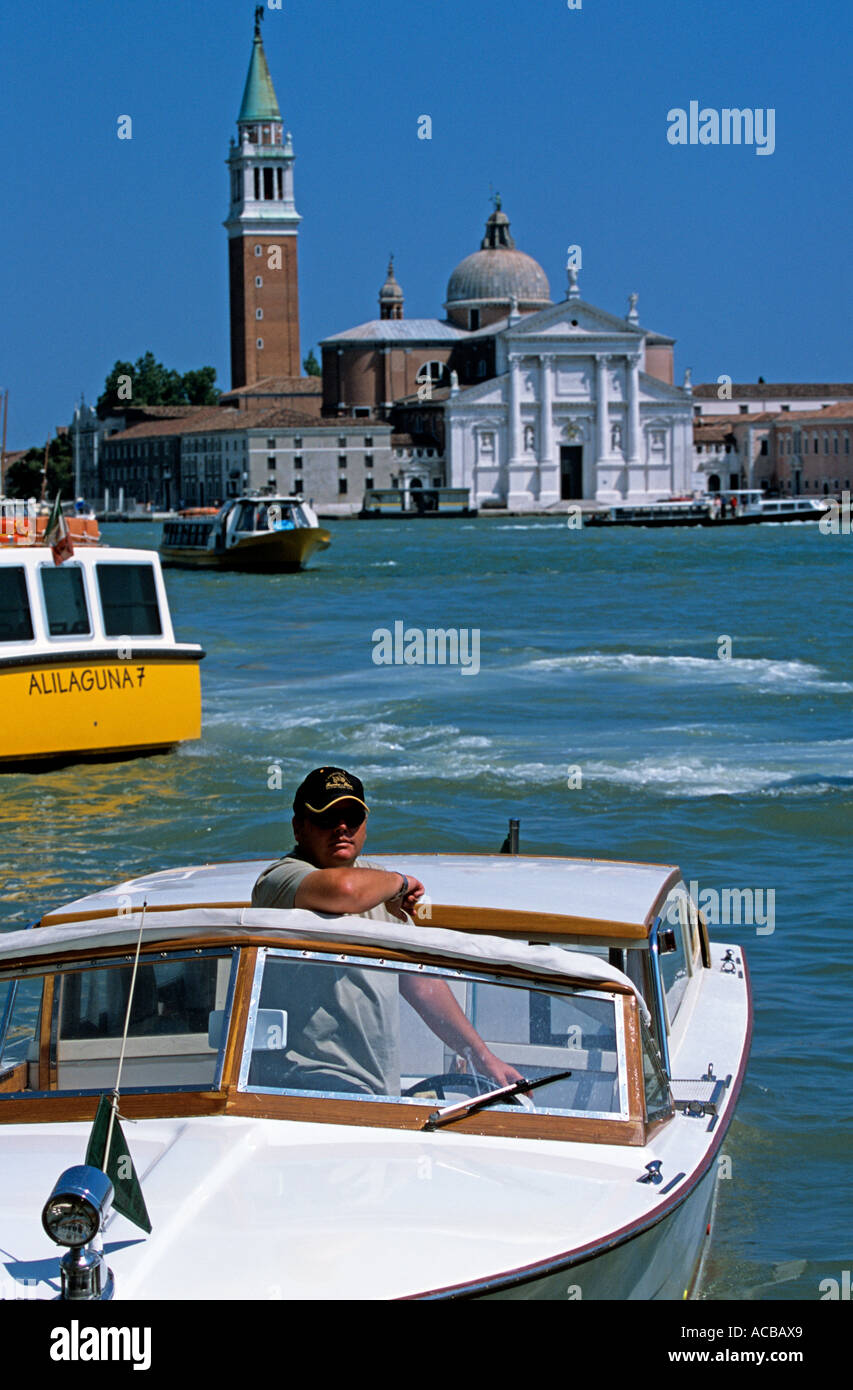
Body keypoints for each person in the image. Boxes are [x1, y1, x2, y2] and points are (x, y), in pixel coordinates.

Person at [251, 767, 526, 1097]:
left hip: (375, 1088)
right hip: (299, 1083)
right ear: (299, 827)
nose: (342, 827)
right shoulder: (281, 879)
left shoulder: (377, 882)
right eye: (327, 818)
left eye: (352, 817)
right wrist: (402, 882)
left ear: (365, 826)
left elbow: (420, 983)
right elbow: (346, 891)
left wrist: (483, 1057)